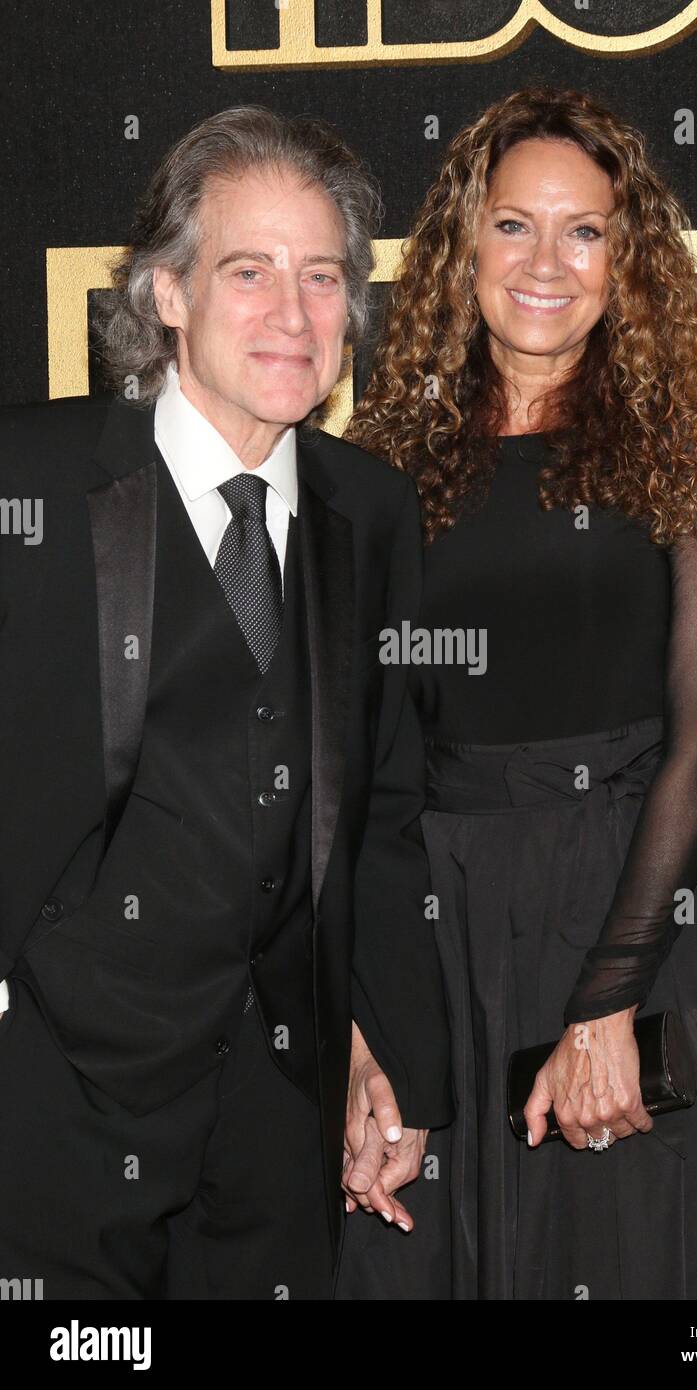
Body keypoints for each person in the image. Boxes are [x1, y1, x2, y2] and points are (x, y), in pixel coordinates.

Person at [335, 86, 697, 1300]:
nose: (545, 264)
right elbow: (367, 763)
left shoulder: (682, 441)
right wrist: (371, 1031)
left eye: (585, 231)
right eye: (513, 226)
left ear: (629, 261)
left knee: (640, 1251)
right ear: (463, 243)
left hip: (638, 907)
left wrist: (605, 1005)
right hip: (443, 916)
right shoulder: (381, 461)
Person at [0, 104, 451, 1300]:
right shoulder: (33, 481)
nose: (295, 316)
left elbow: (387, 810)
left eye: (322, 278)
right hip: (54, 1093)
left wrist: (393, 1055)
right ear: (164, 294)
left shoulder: (372, 510)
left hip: (274, 1107)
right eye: (248, 272)